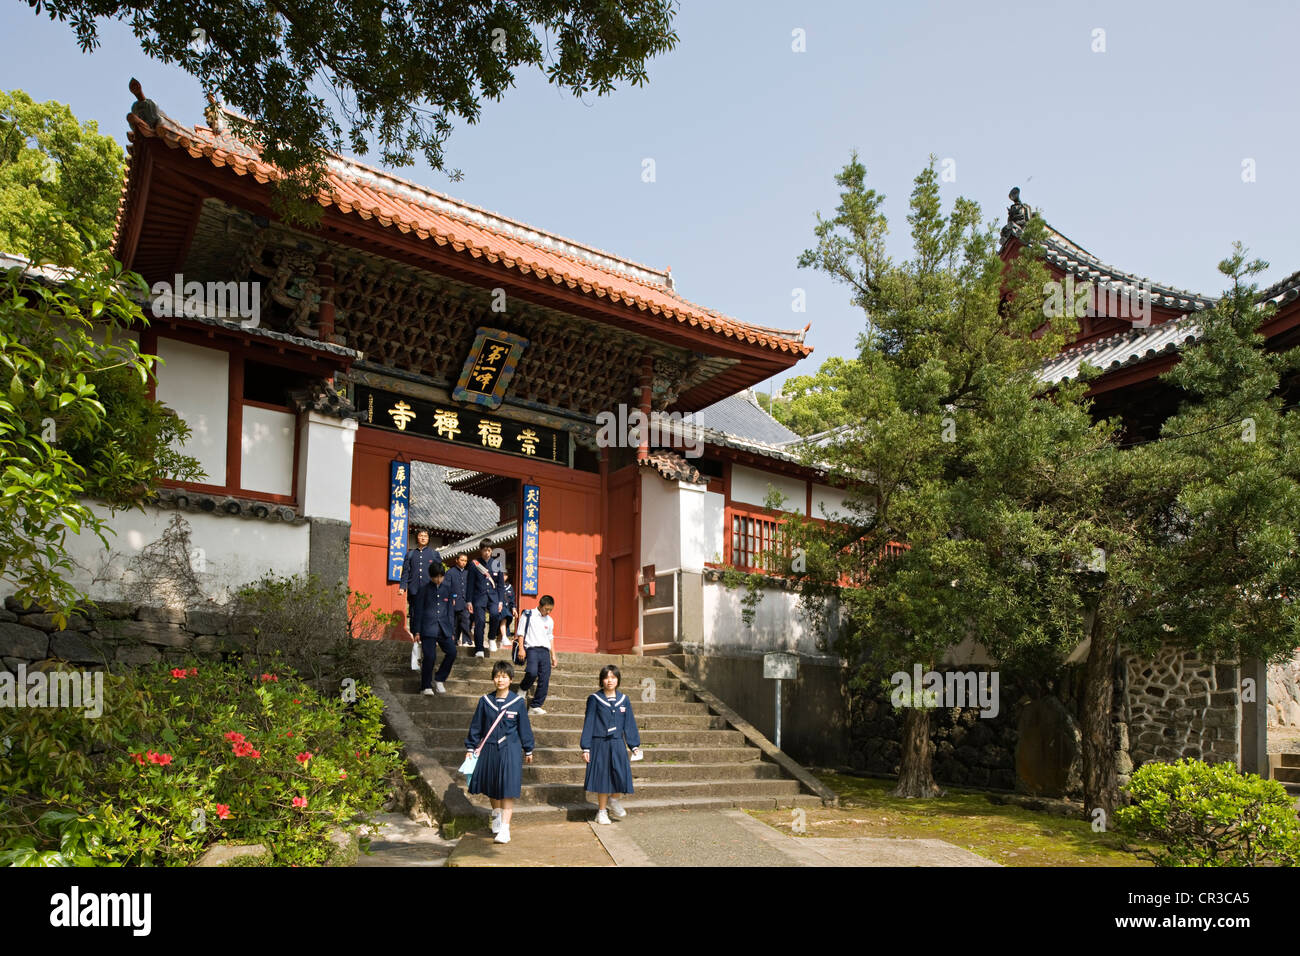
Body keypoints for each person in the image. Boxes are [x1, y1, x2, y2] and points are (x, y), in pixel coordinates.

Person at [464, 660, 534, 845]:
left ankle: (505, 829)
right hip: (489, 749)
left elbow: (524, 728)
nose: (500, 680)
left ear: (511, 679)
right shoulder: (485, 701)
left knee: (508, 789)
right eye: (497, 676)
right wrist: (470, 748)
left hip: (510, 750)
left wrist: (528, 749)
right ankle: (496, 815)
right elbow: (476, 726)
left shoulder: (518, 702)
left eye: (504, 676)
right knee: (493, 787)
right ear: (493, 679)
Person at [579, 664, 642, 825]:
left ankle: (614, 800)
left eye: (613, 677)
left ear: (618, 679)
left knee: (621, 775)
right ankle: (601, 812)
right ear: (601, 680)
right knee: (603, 780)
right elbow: (589, 723)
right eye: (606, 677)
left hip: (617, 743)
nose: (610, 680)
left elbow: (629, 723)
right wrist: (586, 747)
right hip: (599, 744)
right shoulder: (594, 699)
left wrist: (634, 745)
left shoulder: (624, 700)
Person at [417, 562, 457, 695]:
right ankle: (425, 686)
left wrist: (451, 631)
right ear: (431, 576)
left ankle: (440, 678)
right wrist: (416, 631)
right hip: (428, 628)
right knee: (429, 656)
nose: (438, 579)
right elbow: (418, 611)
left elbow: (450, 611)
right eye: (436, 577)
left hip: (444, 628)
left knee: (452, 652)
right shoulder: (424, 589)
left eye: (441, 576)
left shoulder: (447, 589)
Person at [396, 529, 441, 643]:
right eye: (421, 535)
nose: (423, 538)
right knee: (414, 612)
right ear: (417, 537)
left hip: (429, 589)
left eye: (425, 536)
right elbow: (405, 572)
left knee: (429, 612)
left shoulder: (434, 554)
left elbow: (439, 572)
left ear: (428, 538)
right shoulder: (410, 554)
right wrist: (402, 586)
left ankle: (427, 634)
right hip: (414, 588)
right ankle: (414, 634)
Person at [517, 595, 557, 715]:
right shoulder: (528, 614)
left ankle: (535, 706)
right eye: (546, 609)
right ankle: (522, 689)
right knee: (532, 672)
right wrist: (521, 649)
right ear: (540, 605)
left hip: (545, 651)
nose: (548, 612)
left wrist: (553, 655)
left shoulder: (550, 620)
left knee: (545, 678)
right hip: (532, 649)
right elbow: (520, 633)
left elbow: (550, 637)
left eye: (550, 609)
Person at [467, 539, 502, 658]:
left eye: (489, 550)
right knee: (480, 622)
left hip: (493, 597)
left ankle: (492, 637)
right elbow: (470, 583)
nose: (487, 552)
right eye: (484, 550)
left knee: (495, 615)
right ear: (481, 550)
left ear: (492, 550)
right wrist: (469, 601)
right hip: (478, 597)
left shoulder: (497, 564)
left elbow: (500, 585)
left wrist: (501, 601)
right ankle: (479, 649)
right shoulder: (474, 564)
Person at [445, 552, 472, 647]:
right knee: (454, 622)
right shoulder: (450, 572)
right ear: (456, 560)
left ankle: (466, 640)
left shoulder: (468, 573)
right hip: (454, 600)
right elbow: (447, 587)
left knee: (465, 620)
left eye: (465, 561)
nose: (464, 562)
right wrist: (451, 597)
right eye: (462, 560)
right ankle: (454, 640)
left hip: (465, 601)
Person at [497, 567, 516, 647]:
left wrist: (514, 608)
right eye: (502, 575)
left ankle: (500, 640)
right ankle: (504, 638)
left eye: (505, 575)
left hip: (506, 609)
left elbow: (512, 599)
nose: (503, 576)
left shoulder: (509, 587)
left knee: (505, 618)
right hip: (497, 608)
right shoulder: (495, 585)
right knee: (504, 619)